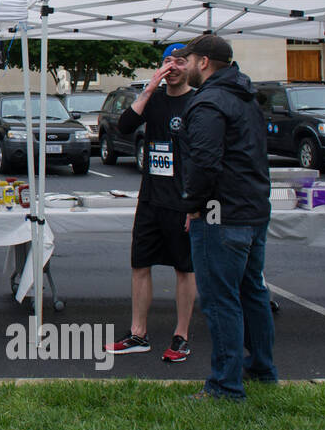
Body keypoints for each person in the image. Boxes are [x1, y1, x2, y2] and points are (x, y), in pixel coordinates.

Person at [177, 34, 275, 401]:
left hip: (222, 213)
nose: (183, 67)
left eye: (186, 60)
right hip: (253, 209)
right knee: (253, 292)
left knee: (221, 299)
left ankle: (225, 386)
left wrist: (193, 205)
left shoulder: (209, 103)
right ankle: (262, 369)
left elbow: (204, 162)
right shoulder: (246, 96)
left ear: (203, 62)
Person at [107, 43, 198, 363]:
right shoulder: (154, 99)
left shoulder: (197, 102)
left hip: (183, 201)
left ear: (192, 66)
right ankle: (138, 333)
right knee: (139, 265)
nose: (172, 67)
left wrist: (196, 204)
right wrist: (148, 88)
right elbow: (125, 126)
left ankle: (182, 335)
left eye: (180, 62)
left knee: (184, 269)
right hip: (150, 198)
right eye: (167, 61)